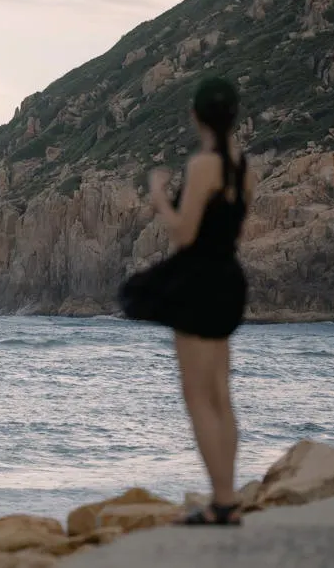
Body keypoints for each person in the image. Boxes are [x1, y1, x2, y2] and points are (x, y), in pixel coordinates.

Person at [118, 76, 257, 526]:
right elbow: (230, 230)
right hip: (228, 280)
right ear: (233, 115)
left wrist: (160, 196)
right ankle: (227, 496)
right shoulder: (241, 164)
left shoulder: (204, 165)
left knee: (198, 397)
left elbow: (183, 233)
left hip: (198, 283)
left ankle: (222, 503)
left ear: (196, 115)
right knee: (221, 395)